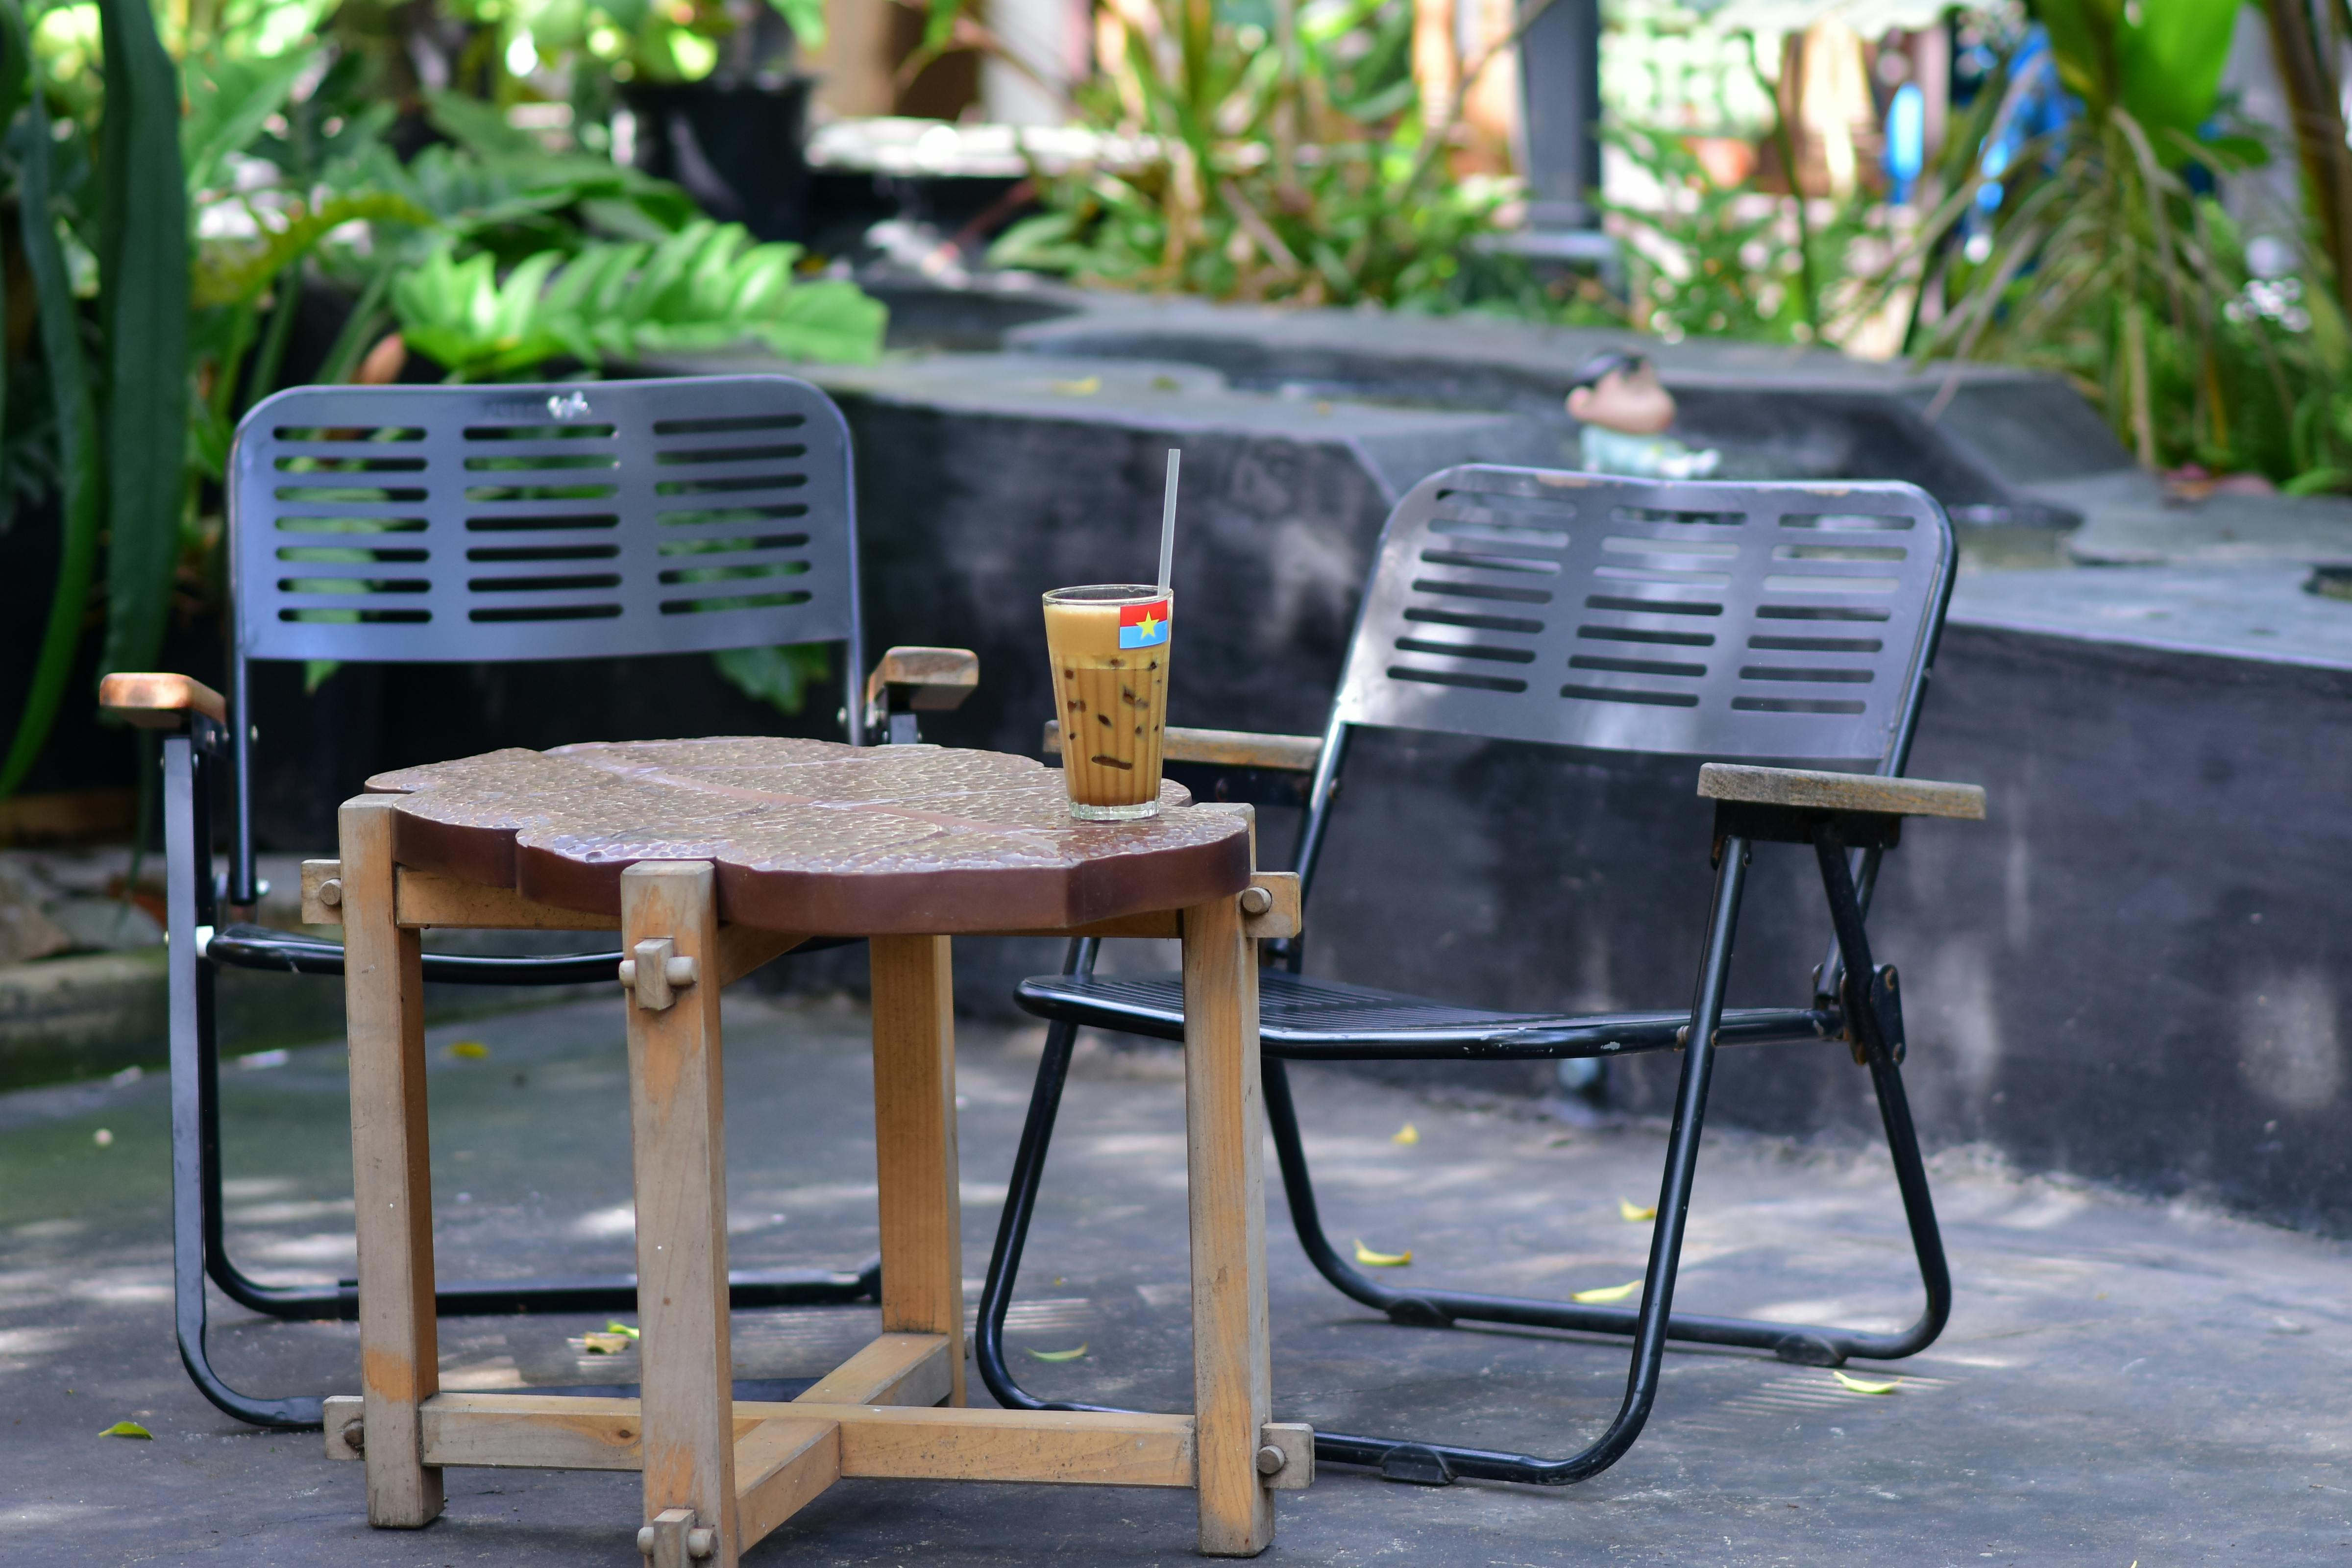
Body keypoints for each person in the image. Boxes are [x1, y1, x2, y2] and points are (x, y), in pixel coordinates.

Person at [1565, 350, 1720, 480]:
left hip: (1657, 460)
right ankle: (1667, 466)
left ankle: (1684, 461)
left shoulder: (1650, 435)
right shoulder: (1598, 435)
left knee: (1669, 448)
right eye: (1637, 393)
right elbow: (1621, 458)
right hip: (1631, 478)